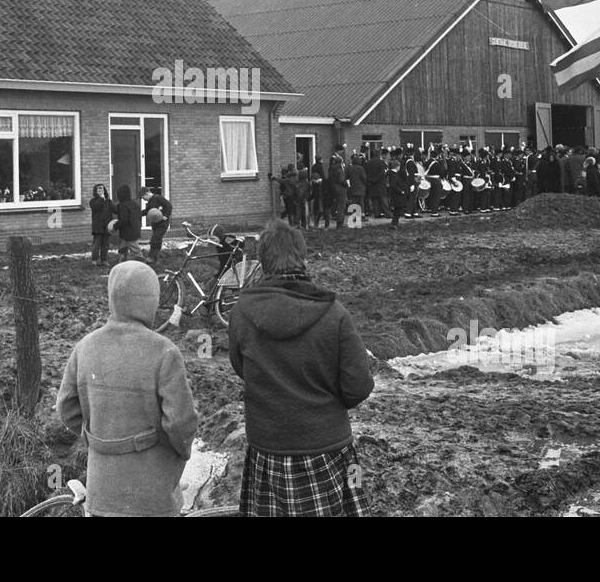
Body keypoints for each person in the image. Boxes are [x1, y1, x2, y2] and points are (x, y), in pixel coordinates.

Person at [227, 220, 374, 517]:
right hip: (327, 445)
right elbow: (359, 385)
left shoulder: (241, 311)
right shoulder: (334, 313)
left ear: (262, 264)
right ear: (303, 260)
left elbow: (241, 368)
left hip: (268, 448)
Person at [56, 260, 198, 517]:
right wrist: (177, 455)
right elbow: (181, 424)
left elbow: (66, 408)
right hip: (152, 496)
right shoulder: (164, 351)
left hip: (102, 491)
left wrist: (98, 439)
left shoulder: (85, 347)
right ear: (152, 301)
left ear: (112, 298)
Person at [141, 187, 172, 265]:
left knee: (154, 239)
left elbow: (169, 205)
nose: (143, 200)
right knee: (157, 240)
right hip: (155, 223)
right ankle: (156, 258)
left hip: (162, 223)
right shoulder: (150, 202)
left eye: (143, 198)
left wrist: (166, 215)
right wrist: (137, 213)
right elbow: (147, 211)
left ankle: (151, 257)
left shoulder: (158, 198)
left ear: (147, 194)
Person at [115, 184, 143, 261]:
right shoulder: (135, 204)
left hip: (128, 231)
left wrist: (115, 226)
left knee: (134, 248)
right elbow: (139, 216)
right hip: (135, 229)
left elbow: (124, 220)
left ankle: (140, 260)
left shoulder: (123, 206)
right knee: (123, 246)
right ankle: (123, 259)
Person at [89, 184, 114, 266]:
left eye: (102, 189)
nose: (101, 191)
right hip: (98, 226)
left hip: (106, 226)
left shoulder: (108, 201)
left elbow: (113, 210)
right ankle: (94, 259)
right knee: (96, 244)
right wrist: (101, 198)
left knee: (105, 244)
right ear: (96, 192)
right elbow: (96, 207)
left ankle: (104, 260)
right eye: (99, 190)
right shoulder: (93, 201)